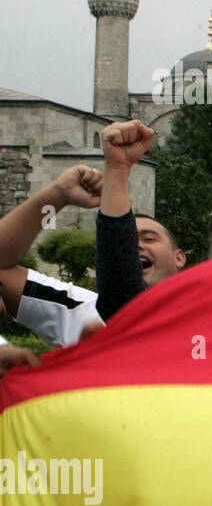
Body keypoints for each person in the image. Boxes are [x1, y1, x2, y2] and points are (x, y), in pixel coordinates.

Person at [0, 164, 106, 345]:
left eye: (149, 238)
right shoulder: (90, 312)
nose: (137, 248)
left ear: (174, 258)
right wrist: (58, 195)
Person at [95, 121, 187, 322]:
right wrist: (117, 169)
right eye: (130, 239)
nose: (136, 246)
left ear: (179, 257)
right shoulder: (126, 313)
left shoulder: (210, 309)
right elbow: (120, 277)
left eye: (149, 239)